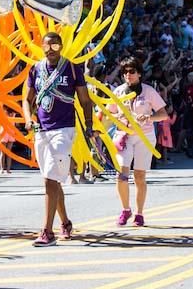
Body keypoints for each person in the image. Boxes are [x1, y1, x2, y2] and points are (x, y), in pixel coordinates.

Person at [23, 32, 94, 246]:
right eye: (47, 46)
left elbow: (85, 100)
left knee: (50, 180)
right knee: (51, 178)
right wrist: (27, 119)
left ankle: (47, 231)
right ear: (42, 47)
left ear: (61, 46)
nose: (51, 50)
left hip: (64, 129)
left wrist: (89, 125)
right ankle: (65, 223)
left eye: (55, 45)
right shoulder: (35, 69)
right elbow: (27, 99)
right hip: (42, 130)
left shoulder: (71, 68)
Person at [110, 57, 168, 226]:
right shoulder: (118, 91)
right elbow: (108, 114)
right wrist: (118, 116)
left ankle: (139, 213)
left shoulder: (149, 91)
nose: (128, 75)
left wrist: (148, 117)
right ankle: (125, 209)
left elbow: (163, 114)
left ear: (139, 73)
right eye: (125, 72)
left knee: (139, 176)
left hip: (145, 136)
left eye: (132, 71)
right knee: (121, 175)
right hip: (124, 135)